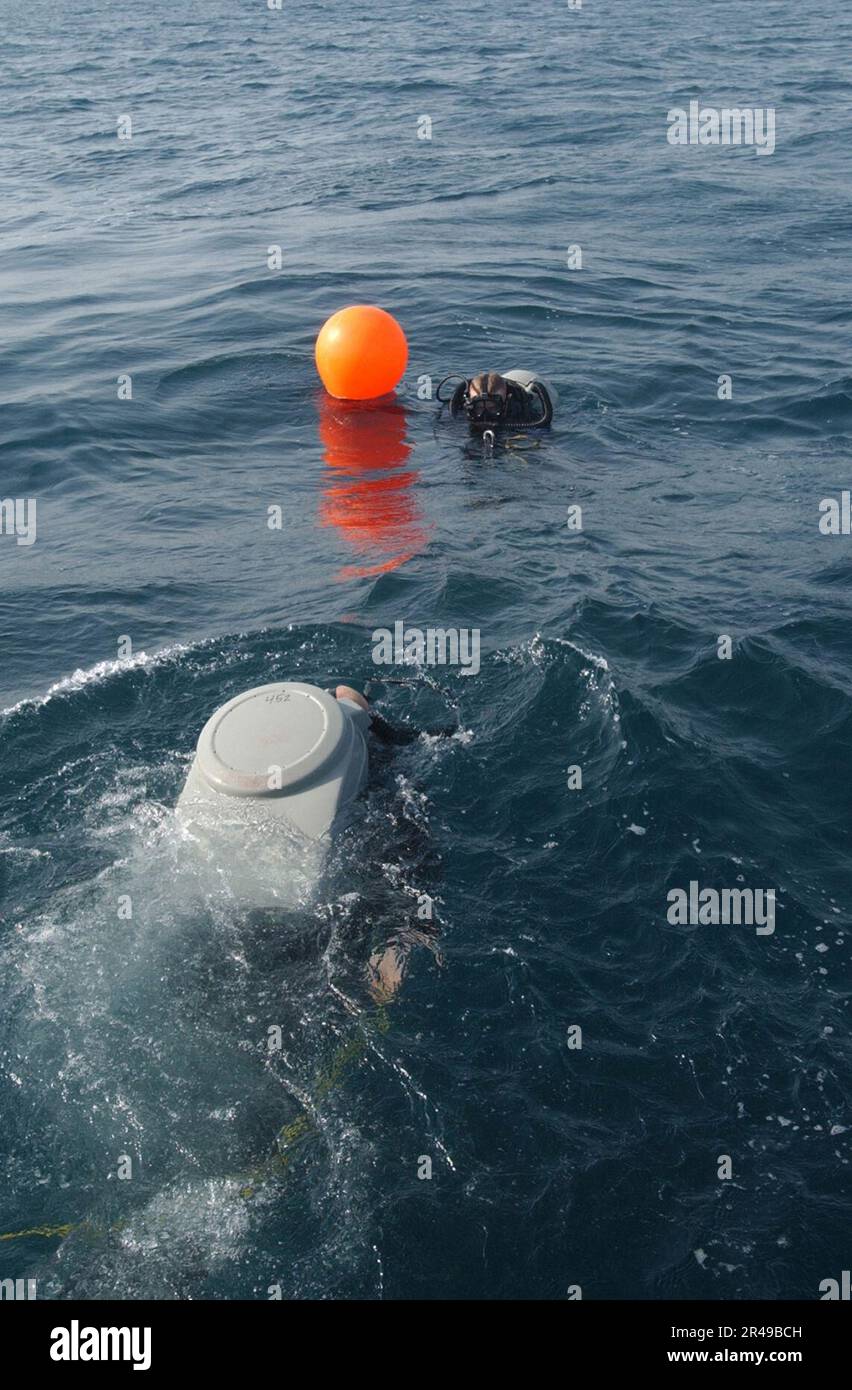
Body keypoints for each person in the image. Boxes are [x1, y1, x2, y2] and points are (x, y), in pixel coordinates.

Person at [437, 370, 557, 429]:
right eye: (478, 407)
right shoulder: (462, 407)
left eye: (492, 408)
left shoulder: (521, 410)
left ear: (506, 401)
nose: (485, 414)